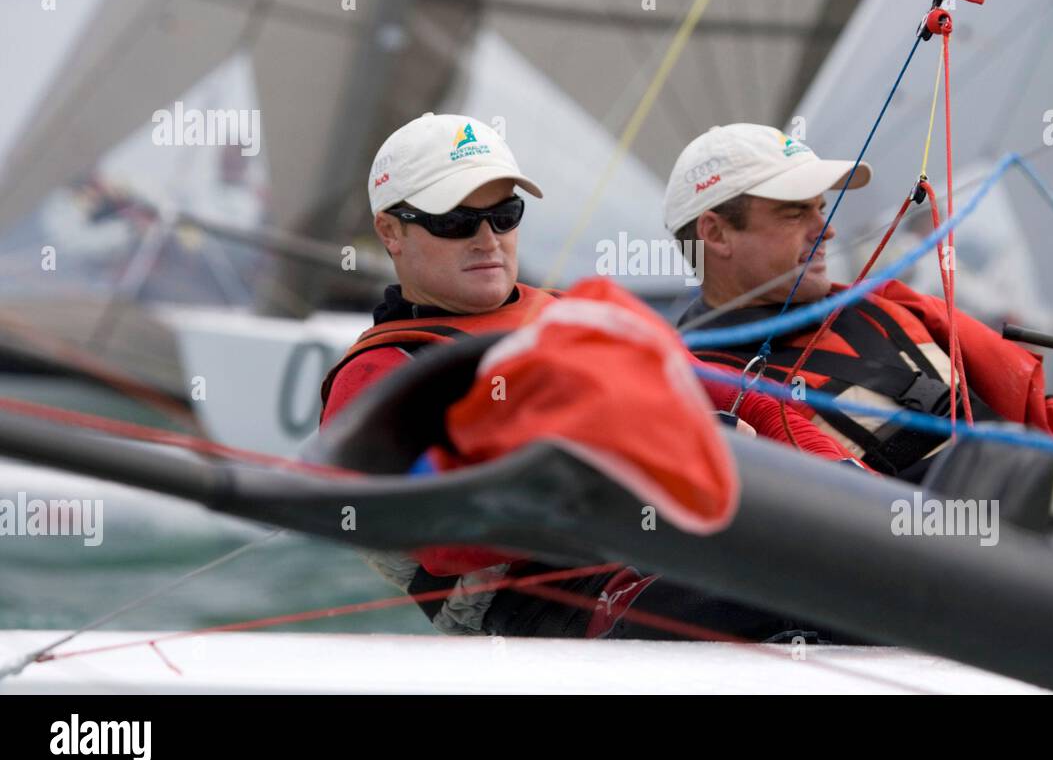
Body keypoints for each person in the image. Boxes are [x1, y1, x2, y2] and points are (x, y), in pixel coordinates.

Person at [320, 112, 856, 642]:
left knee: (844, 575)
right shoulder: (377, 376)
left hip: (678, 559)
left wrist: (848, 485)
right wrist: (631, 462)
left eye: (506, 214)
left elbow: (752, 401)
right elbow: (443, 542)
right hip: (563, 609)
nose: (488, 239)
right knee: (804, 602)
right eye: (455, 222)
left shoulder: (574, 312)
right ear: (390, 231)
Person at [665, 123, 1053, 482]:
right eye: (794, 212)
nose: (825, 230)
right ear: (716, 233)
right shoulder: (700, 394)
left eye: (821, 208)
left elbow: (1041, 419)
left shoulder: (895, 306)